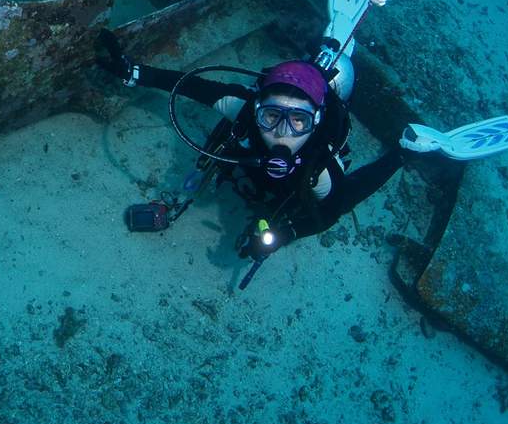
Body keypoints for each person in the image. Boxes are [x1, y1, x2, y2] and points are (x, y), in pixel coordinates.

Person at [98, 32, 411, 261]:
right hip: (253, 154)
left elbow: (334, 209)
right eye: (271, 116)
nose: (281, 134)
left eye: (298, 121)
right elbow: (191, 86)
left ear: (316, 120)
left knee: (327, 197)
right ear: (257, 107)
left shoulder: (320, 167)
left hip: (297, 183)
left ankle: (402, 154)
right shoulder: (243, 109)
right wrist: (132, 72)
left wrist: (282, 237)